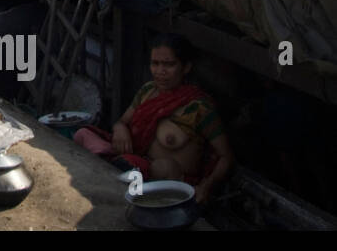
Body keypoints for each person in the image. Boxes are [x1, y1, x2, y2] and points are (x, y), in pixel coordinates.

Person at [74, 34, 233, 204]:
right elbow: (122, 122)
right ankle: (121, 172)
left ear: (186, 67)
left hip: (173, 180)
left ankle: (119, 173)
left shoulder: (199, 107)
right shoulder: (148, 91)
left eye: (169, 65)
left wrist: (206, 186)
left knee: (161, 166)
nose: (160, 71)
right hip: (140, 164)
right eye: (155, 64)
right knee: (83, 133)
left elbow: (226, 157)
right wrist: (120, 129)